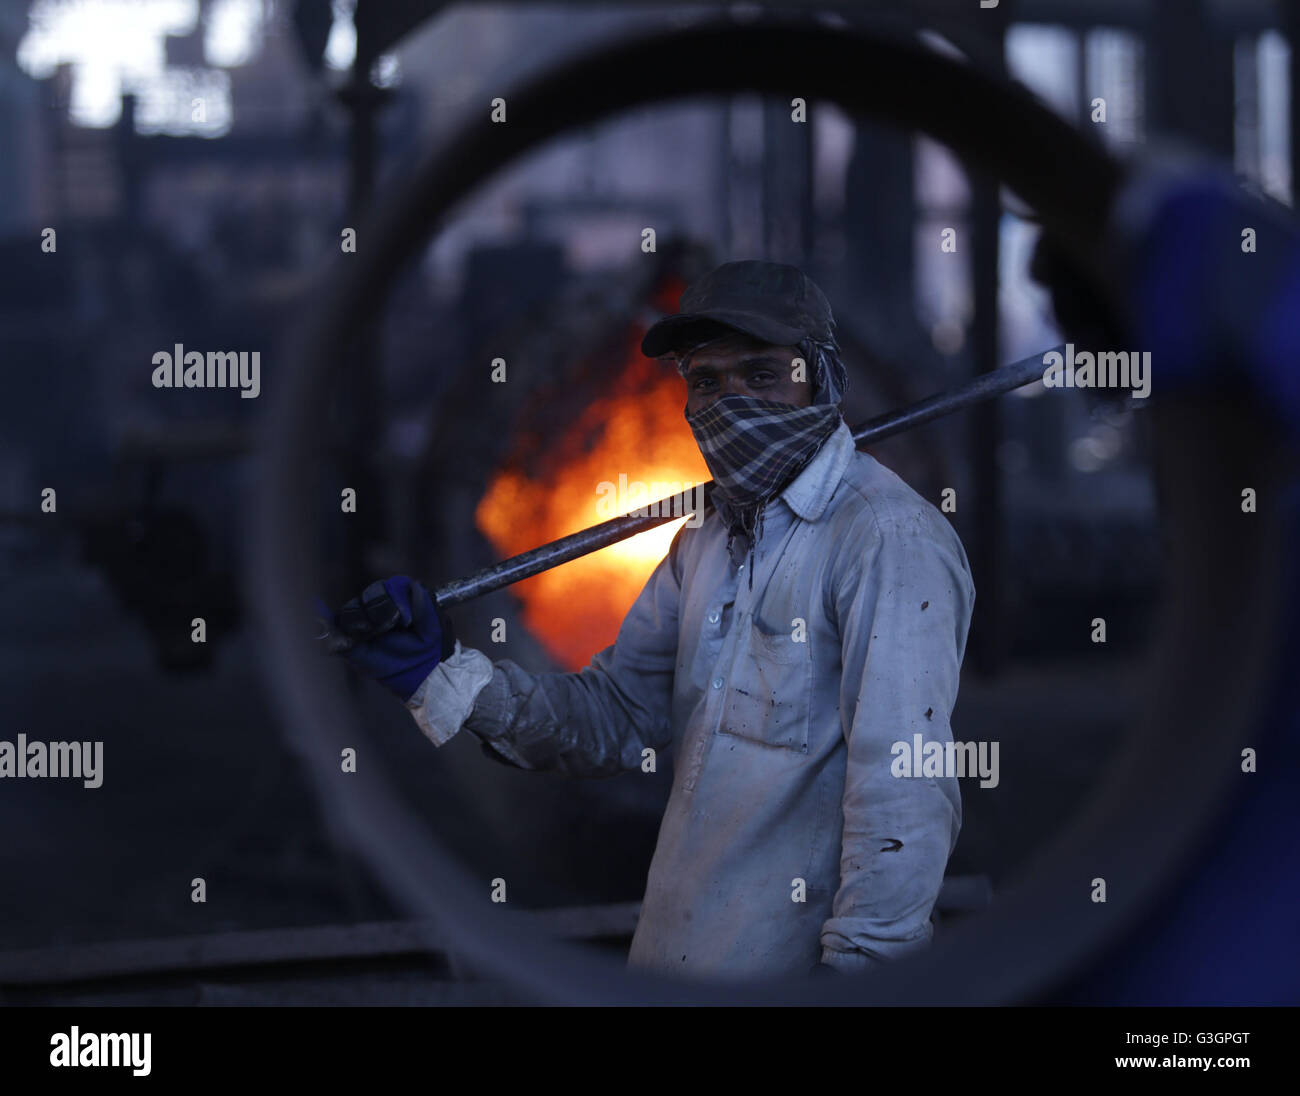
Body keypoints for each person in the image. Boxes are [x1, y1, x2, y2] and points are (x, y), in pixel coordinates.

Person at [323, 260, 976, 980]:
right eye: (707, 380)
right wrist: (448, 679)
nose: (731, 403)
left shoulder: (885, 538)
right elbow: (617, 715)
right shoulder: (704, 542)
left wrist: (863, 979)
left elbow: (904, 787)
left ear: (822, 379)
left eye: (761, 375)